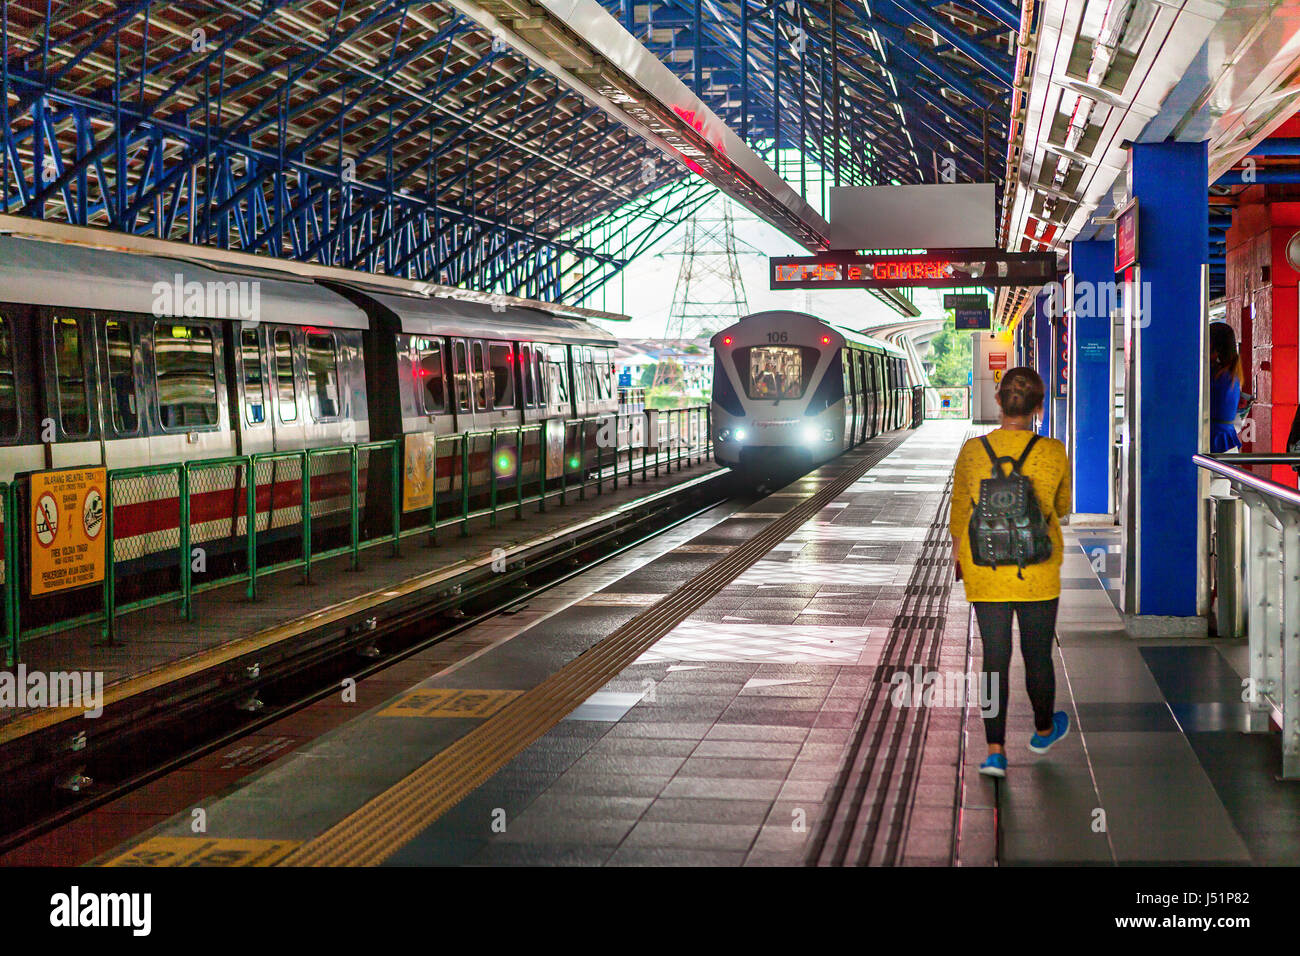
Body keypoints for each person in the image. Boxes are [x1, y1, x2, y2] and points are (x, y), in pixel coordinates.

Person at [949, 366, 1072, 779]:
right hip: (1037, 571)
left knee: (993, 659)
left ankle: (995, 751)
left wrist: (960, 558)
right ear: (1039, 407)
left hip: (986, 569)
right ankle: (1042, 729)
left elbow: (959, 515)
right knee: (1037, 655)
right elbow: (1062, 508)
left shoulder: (972, 451)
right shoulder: (1054, 451)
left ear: (998, 402)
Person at [1209, 322, 1243, 455]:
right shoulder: (1230, 373)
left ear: (1216, 348)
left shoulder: (1216, 376)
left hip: (1216, 444)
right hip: (1226, 443)